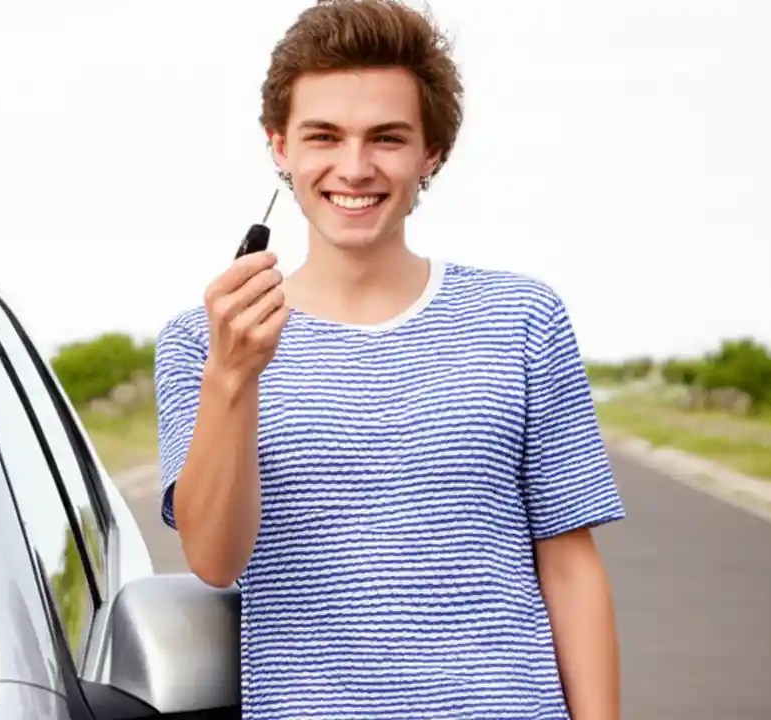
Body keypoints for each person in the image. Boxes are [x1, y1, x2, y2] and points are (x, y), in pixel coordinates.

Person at [152, 1, 627, 718]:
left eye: (387, 137)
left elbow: (569, 565)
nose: (354, 167)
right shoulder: (203, 342)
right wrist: (233, 377)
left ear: (431, 151)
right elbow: (216, 560)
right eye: (324, 136)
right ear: (280, 146)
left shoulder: (522, 319)